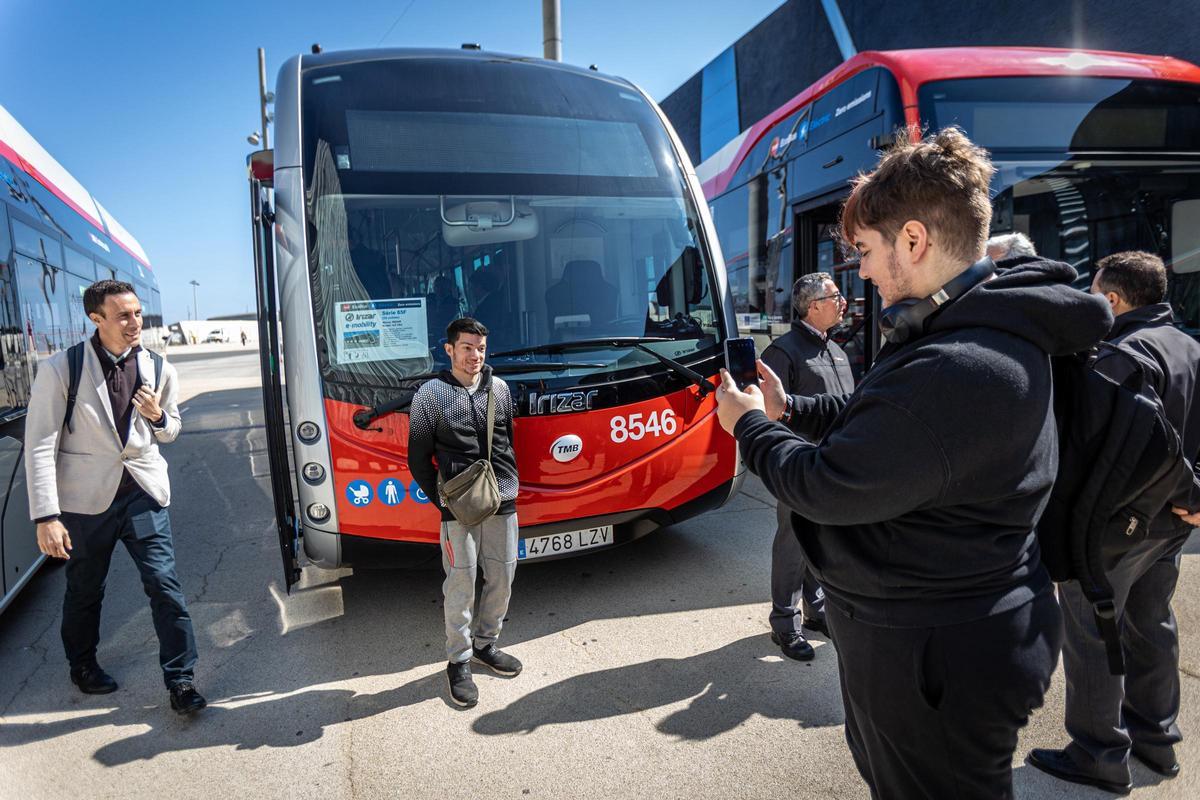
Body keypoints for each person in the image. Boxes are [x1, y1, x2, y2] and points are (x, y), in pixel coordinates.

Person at [714, 126, 1113, 798]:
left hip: (936, 658)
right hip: (951, 637)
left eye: (865, 252)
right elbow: (889, 423)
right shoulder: (972, 332)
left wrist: (748, 425)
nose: (860, 273)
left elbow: (827, 483)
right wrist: (793, 412)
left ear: (915, 240)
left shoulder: (955, 364)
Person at [1027, 251, 1200, 792]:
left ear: (1114, 299)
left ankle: (1099, 755)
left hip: (1116, 530)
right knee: (1152, 625)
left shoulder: (1124, 354)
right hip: (1171, 525)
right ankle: (1157, 741)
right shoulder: (1190, 344)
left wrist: (1187, 488)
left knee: (1095, 636)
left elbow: (1146, 447)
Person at [25, 279, 204, 714]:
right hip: (86, 503)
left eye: (138, 313)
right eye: (123, 315)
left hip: (141, 493)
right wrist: (46, 516)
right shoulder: (61, 369)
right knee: (85, 589)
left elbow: (172, 429)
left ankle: (181, 680)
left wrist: (157, 415)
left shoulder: (159, 368)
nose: (135, 323)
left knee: (164, 585)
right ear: (96, 318)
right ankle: (82, 665)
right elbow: (40, 444)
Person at [407, 317, 522, 708]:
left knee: (503, 575)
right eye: (468, 347)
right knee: (460, 583)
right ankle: (458, 662)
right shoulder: (430, 396)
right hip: (457, 508)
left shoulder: (501, 390)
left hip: (502, 500)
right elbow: (418, 459)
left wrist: (508, 484)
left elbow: (508, 442)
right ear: (450, 349)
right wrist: (443, 500)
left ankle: (486, 643)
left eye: (481, 349)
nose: (475, 356)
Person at [760, 272, 853, 661]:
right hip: (799, 466)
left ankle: (816, 611)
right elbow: (766, 414)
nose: (844, 301)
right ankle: (784, 622)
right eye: (835, 296)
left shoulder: (837, 350)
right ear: (813, 307)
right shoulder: (782, 353)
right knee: (793, 543)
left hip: (834, 464)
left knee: (820, 541)